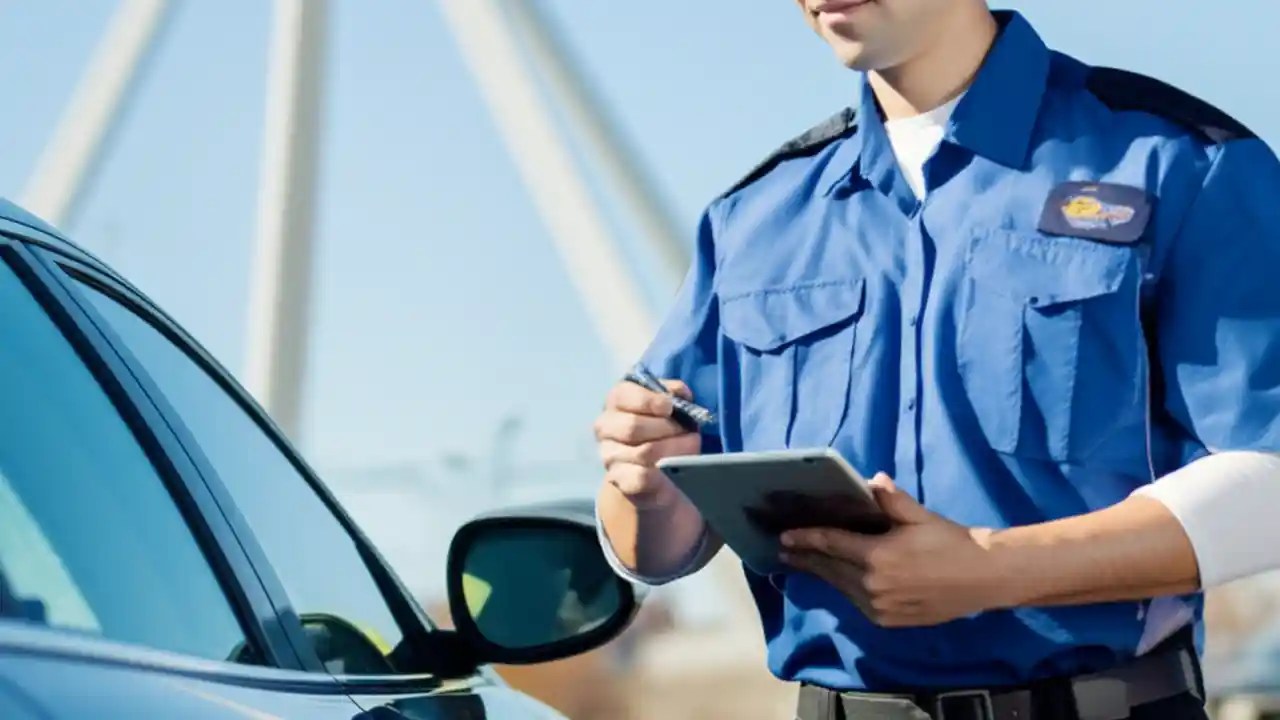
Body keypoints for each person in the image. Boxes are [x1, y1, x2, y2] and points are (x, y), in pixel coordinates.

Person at [593, 2, 1280, 719]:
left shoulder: (1178, 161)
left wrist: (994, 570)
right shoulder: (754, 219)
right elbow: (661, 550)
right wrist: (643, 485)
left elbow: (1270, 471)